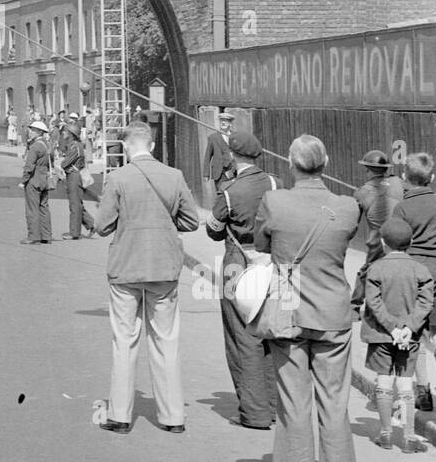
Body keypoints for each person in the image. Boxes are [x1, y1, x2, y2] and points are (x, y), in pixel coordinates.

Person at [253, 134, 362, 462]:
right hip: (333, 311)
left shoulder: (275, 201)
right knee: (334, 403)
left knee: (293, 402)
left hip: (290, 308)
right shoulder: (346, 206)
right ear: (326, 162)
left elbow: (261, 244)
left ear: (290, 162)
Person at [94, 122, 199, 433]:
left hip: (126, 268)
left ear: (127, 147)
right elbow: (191, 221)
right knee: (166, 341)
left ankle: (120, 416)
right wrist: (163, 225)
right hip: (164, 268)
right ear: (152, 146)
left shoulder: (117, 178)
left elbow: (102, 226)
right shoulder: (174, 176)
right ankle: (172, 417)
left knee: (124, 342)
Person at [205, 131, 278, 429]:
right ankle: (273, 407)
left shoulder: (230, 192)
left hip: (239, 262)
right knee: (272, 335)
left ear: (233, 156)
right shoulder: (275, 184)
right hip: (273, 261)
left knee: (242, 337)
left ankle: (254, 411)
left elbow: (213, 230)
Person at [361, 215, 433, 453]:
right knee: (405, 382)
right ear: (410, 242)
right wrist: (407, 327)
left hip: (382, 334)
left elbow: (373, 301)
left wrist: (392, 327)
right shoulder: (421, 269)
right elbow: (426, 302)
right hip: (409, 336)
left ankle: (385, 435)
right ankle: (409, 437)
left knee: (383, 380)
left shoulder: (376, 268)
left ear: (383, 243)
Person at [392, 152, 436, 411]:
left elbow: (396, 243)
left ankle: (423, 393)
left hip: (411, 274)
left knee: (414, 334)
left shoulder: (401, 208)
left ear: (405, 178)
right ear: (433, 177)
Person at [351, 150, 405, 313]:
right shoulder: (398, 182)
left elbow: (354, 222)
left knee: (366, 271)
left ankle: (354, 306)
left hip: (379, 239)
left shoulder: (362, 192)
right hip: (401, 236)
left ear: (368, 170)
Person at [60, 112, 94, 240]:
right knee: (77, 203)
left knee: (74, 205)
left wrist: (60, 166)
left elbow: (65, 163)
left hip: (74, 176)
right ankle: (91, 224)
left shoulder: (75, 146)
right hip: (73, 175)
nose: (63, 134)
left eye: (65, 132)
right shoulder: (74, 145)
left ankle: (74, 233)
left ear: (71, 134)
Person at [19, 119, 53, 244]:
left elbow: (29, 166)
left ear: (39, 132)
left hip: (34, 180)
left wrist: (23, 181)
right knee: (44, 208)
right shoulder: (47, 145)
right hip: (44, 179)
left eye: (33, 130)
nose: (30, 132)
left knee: (32, 208)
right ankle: (46, 235)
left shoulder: (35, 147)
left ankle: (33, 236)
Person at [202, 112, 236, 196]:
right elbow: (207, 156)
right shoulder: (213, 138)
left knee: (233, 195)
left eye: (226, 120)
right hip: (219, 173)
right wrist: (206, 174)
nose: (223, 122)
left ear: (230, 123)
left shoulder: (235, 137)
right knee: (221, 196)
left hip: (233, 172)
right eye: (221, 120)